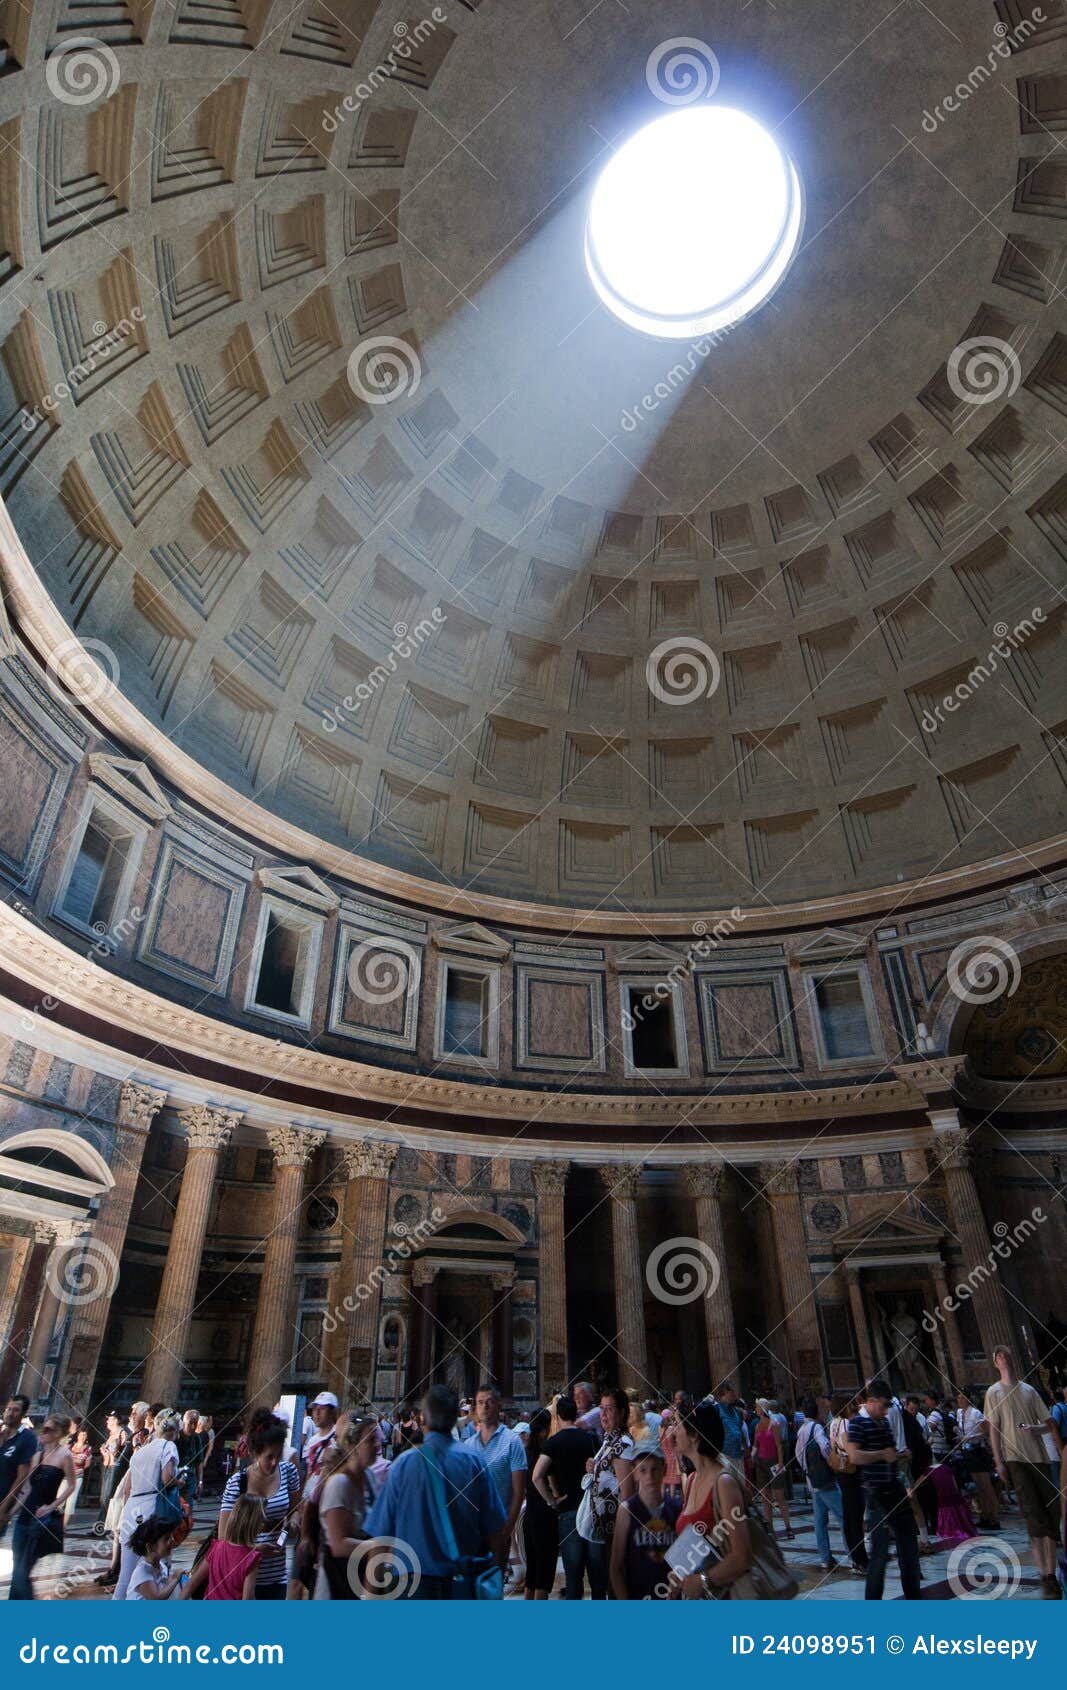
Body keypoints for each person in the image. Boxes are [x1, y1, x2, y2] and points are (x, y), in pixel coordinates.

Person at [363, 1384, 507, 1599]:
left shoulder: (403, 1465)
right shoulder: (474, 1463)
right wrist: (495, 1580)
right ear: (455, 1417)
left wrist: (370, 1596)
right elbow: (497, 1534)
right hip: (461, 1587)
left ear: (423, 1418)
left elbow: (382, 1540)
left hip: (411, 1588)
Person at [983, 1344, 1063, 1599]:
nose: (1003, 1359)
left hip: (1039, 1458)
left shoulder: (1029, 1391)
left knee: (1051, 1516)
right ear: (995, 1363)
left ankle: (1051, 1572)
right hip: (1015, 1458)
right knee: (1032, 1515)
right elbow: (993, 1430)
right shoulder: (993, 1392)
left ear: (1012, 1358)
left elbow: (1047, 1425)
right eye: (999, 1357)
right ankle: (1043, 1574)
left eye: (1006, 1355)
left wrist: (1033, 1429)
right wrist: (998, 1461)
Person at [669, 1401, 753, 1598]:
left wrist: (704, 1580)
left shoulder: (724, 1483)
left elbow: (742, 1556)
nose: (673, 1432)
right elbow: (698, 1544)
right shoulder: (690, 1480)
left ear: (694, 1435)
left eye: (678, 1425)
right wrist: (680, 1575)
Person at [846, 1380, 921, 1601]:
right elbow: (855, 1456)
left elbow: (889, 1454)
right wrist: (881, 1455)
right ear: (871, 1401)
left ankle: (914, 1597)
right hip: (875, 1492)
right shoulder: (858, 1423)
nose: (886, 1409)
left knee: (909, 1548)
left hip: (894, 1488)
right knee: (879, 1554)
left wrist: (900, 1455)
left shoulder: (884, 1422)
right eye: (884, 1405)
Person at [219, 1410, 301, 1600]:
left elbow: (295, 1510)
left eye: (279, 1455)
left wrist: (293, 1523)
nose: (275, 1463)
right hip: (242, 1578)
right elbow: (224, 1540)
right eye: (269, 1457)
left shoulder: (288, 1472)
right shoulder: (237, 1483)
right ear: (255, 1453)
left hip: (276, 1577)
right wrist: (255, 1549)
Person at [2, 1413, 75, 1599]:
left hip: (41, 1519)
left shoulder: (64, 1455)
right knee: (18, 1566)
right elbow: (27, 1490)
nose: (43, 1432)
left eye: (49, 1429)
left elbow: (71, 1486)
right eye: (43, 1428)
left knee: (22, 1571)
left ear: (59, 1432)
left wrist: (51, 1507)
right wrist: (10, 1512)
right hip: (24, 1518)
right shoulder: (37, 1456)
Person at [112, 1407, 181, 1600]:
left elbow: (127, 1489)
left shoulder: (141, 1451)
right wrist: (179, 1481)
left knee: (125, 1573)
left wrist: (127, 1514)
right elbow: (167, 1478)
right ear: (175, 1431)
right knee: (152, 1567)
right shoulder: (168, 1446)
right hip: (152, 1508)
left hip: (132, 1507)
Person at [533, 1394, 598, 1598]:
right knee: (597, 1576)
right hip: (591, 1510)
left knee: (573, 1577)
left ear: (558, 1416)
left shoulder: (554, 1442)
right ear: (575, 1413)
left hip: (568, 1510)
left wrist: (551, 1500)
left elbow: (537, 1476)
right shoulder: (591, 1439)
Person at [314, 1417, 379, 1599]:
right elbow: (338, 1544)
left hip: (358, 1574)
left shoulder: (370, 1478)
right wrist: (375, 1547)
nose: (377, 1445)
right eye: (371, 1440)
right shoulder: (339, 1484)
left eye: (377, 1438)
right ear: (354, 1446)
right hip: (337, 1579)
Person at [610, 1440, 681, 1599]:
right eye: (643, 1470)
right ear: (634, 1472)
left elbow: (684, 1559)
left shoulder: (676, 1508)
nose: (649, 1476)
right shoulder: (627, 1510)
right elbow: (616, 1566)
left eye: (654, 1469)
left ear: (664, 1469)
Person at [468, 1385, 526, 1551]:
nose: (484, 1406)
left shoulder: (512, 1442)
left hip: (498, 1528)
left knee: (494, 1575)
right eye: (480, 1402)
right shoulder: (468, 1445)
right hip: (472, 1528)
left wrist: (507, 1530)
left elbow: (518, 1492)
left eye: (489, 1402)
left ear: (498, 1406)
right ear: (475, 1409)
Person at [181, 1494, 262, 1600]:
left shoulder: (216, 1546)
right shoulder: (252, 1558)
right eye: (261, 1520)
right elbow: (248, 1598)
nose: (263, 1524)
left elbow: (191, 1584)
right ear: (254, 1523)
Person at [796, 1396, 845, 1571]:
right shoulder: (816, 1427)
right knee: (842, 1516)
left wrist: (808, 1471)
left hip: (813, 1481)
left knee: (820, 1522)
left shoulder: (801, 1430)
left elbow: (798, 1454)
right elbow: (824, 1447)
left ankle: (825, 1558)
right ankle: (854, 1555)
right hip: (825, 1481)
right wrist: (834, 1463)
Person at [828, 1392, 867, 1575]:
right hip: (852, 1471)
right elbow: (853, 1451)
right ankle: (861, 1559)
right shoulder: (846, 1424)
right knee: (855, 1515)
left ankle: (854, 1557)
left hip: (840, 1471)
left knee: (849, 1514)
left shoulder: (833, 1423)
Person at [955, 1388, 1000, 1528]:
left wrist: (968, 1438)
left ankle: (994, 1517)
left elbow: (987, 1432)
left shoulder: (975, 1413)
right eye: (958, 1397)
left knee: (986, 1485)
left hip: (978, 1451)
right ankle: (984, 1515)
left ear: (968, 1399)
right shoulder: (959, 1413)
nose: (960, 1400)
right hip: (968, 1452)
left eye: (963, 1397)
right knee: (978, 1486)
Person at [753, 1397, 793, 1539]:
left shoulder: (774, 1423)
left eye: (757, 1407)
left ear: (763, 1408)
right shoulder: (757, 1426)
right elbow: (756, 1445)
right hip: (761, 1462)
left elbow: (778, 1445)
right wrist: (753, 1455)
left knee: (779, 1496)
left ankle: (788, 1527)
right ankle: (770, 1529)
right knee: (765, 1497)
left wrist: (781, 1462)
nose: (756, 1409)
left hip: (774, 1462)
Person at [0, 1397, 37, 1543]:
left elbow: (21, 1477)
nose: (10, 1413)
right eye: (8, 1409)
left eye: (15, 1410)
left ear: (23, 1414)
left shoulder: (27, 1438)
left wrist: (4, 1507)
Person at [125, 1515, 183, 1600]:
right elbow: (156, 1598)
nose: (172, 1541)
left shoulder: (161, 1565)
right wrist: (175, 1579)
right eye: (167, 1538)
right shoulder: (142, 1573)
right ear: (150, 1547)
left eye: (171, 1537)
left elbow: (166, 1584)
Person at [714, 1383, 750, 1485]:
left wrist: (746, 1450)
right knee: (727, 1485)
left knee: (741, 1484)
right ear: (722, 1396)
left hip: (738, 1454)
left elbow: (740, 1431)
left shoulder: (737, 1412)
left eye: (733, 1395)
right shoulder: (716, 1410)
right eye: (730, 1395)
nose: (733, 1397)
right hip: (724, 1454)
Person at [96, 1412, 127, 1524]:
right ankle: (102, 1524)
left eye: (109, 1419)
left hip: (114, 1467)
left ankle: (102, 1525)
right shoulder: (111, 1434)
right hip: (106, 1466)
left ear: (116, 1421)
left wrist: (112, 1455)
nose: (107, 1421)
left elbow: (123, 1452)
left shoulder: (122, 1433)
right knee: (103, 1497)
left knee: (107, 1497)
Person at [302, 1392, 338, 1484]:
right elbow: (310, 1470)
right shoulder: (312, 1441)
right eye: (315, 1409)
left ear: (332, 1412)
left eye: (322, 1408)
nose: (317, 1413)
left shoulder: (339, 1436)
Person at [65, 1422, 93, 1522]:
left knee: (71, 1502)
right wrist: (77, 1461)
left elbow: (86, 1464)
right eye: (81, 1434)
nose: (83, 1437)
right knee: (59, 1499)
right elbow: (64, 1458)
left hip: (78, 1477)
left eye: (85, 1435)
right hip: (65, 1476)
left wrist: (75, 1461)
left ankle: (63, 1526)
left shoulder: (88, 1448)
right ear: (77, 1435)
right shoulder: (71, 1445)